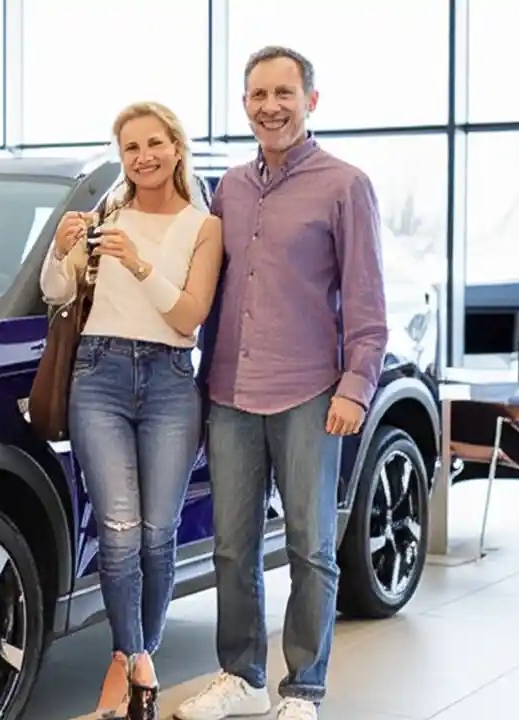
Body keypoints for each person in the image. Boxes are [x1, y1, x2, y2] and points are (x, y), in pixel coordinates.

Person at [174, 46, 388, 720]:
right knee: (232, 546)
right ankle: (241, 675)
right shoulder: (229, 189)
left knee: (310, 546)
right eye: (258, 95)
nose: (270, 106)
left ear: (311, 101)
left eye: (284, 94)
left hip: (310, 393)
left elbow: (365, 301)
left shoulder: (345, 184)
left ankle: (304, 688)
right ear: (245, 105)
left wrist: (355, 386)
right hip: (231, 391)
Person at [41, 101, 223, 719]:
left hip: (171, 380)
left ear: (175, 146)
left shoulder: (203, 226)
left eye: (153, 143)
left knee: (157, 533)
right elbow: (58, 294)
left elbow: (188, 316)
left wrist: (139, 263)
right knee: (118, 531)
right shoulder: (103, 216)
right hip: (99, 375)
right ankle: (138, 657)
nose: (142, 157)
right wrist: (60, 249)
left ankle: (130, 660)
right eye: (129, 149)